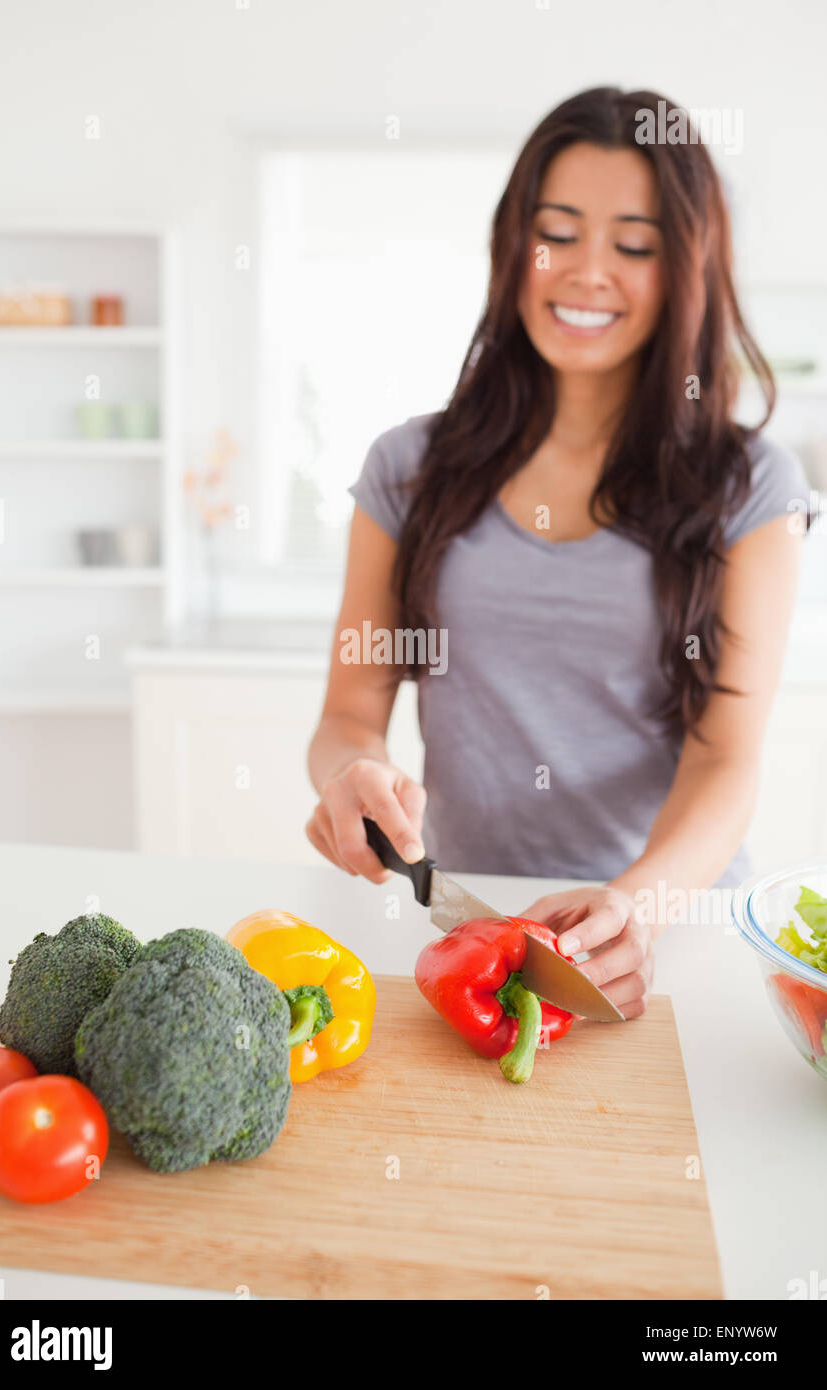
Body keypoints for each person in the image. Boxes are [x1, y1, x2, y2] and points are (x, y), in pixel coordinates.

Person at [305, 86, 808, 1020]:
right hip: (474, 926)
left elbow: (724, 759)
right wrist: (350, 776)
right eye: (559, 232)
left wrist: (638, 908)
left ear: (686, 266)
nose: (586, 273)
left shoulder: (751, 486)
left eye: (634, 244)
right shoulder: (406, 468)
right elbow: (348, 712)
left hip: (672, 931)